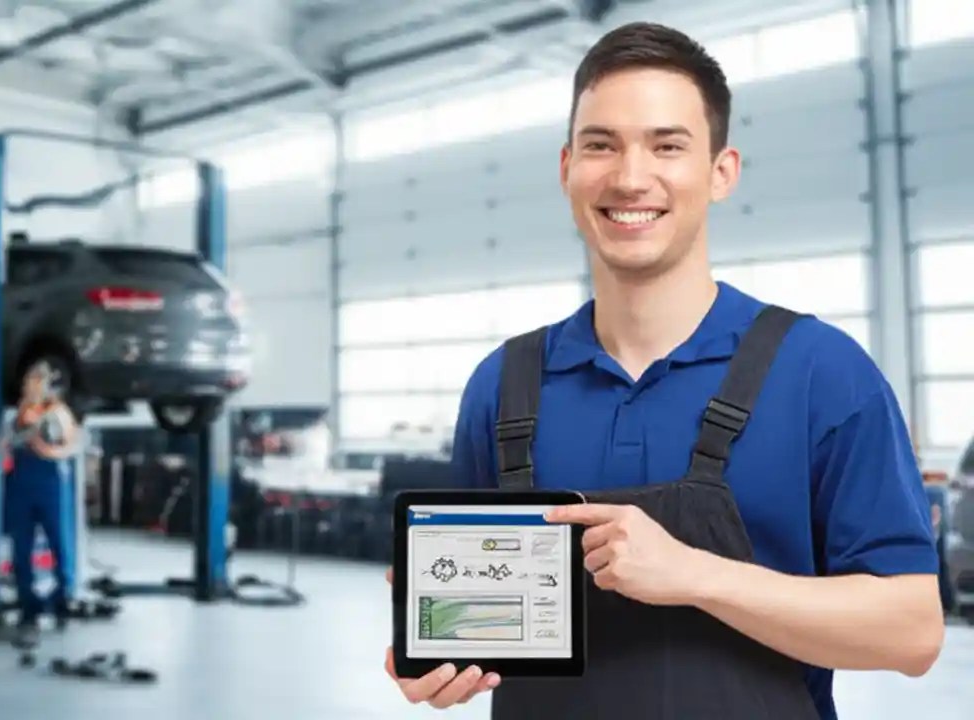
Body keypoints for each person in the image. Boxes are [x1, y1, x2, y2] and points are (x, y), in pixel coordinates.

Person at [384, 21, 945, 720]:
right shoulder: (503, 384)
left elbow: (913, 631)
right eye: (601, 145)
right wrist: (435, 651)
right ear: (566, 168)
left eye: (667, 145)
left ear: (721, 172)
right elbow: (468, 610)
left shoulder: (821, 374)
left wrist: (696, 576)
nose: (628, 176)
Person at [6, 360, 80, 631]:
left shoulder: (58, 411)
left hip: (51, 480)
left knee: (60, 541)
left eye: (38, 380)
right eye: (29, 380)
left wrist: (43, 447)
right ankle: (29, 603)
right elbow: (8, 441)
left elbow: (69, 444)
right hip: (22, 482)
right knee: (21, 544)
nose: (32, 385)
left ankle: (62, 599)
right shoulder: (21, 412)